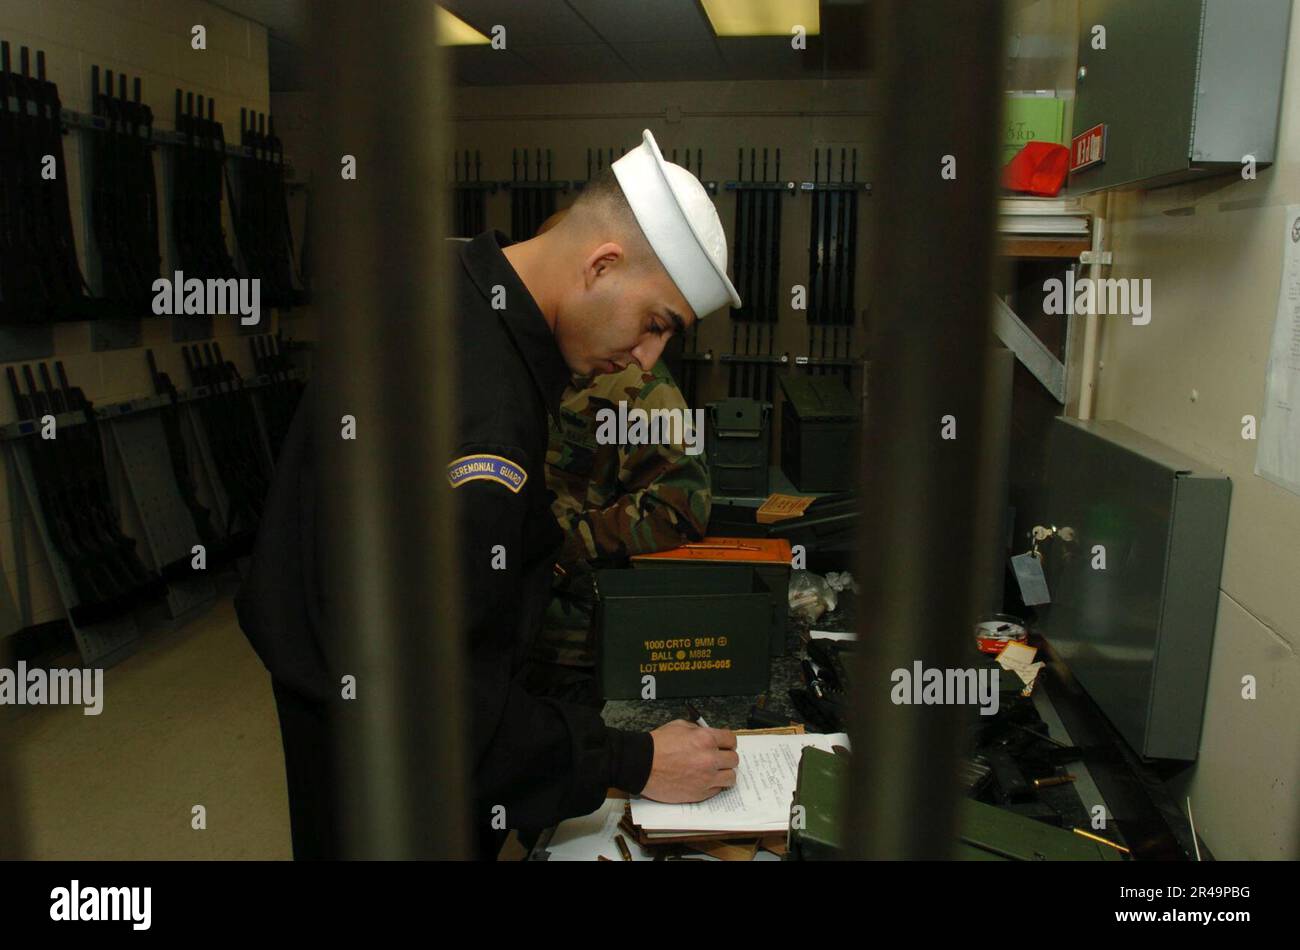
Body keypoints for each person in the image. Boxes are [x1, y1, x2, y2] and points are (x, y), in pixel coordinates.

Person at [237, 130, 743, 859]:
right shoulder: (484, 417)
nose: (646, 356)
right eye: (655, 323)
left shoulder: (451, 283)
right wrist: (635, 761)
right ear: (603, 264)